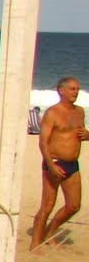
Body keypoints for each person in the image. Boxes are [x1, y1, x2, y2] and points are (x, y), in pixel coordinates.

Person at [30, 76, 88, 250]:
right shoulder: (52, 113)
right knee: (47, 206)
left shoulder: (80, 111)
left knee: (74, 206)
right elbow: (43, 142)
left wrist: (87, 134)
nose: (75, 92)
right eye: (72, 89)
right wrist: (51, 165)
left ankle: (50, 232)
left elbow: (79, 134)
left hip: (72, 164)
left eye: (77, 89)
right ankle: (35, 243)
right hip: (54, 162)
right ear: (61, 91)